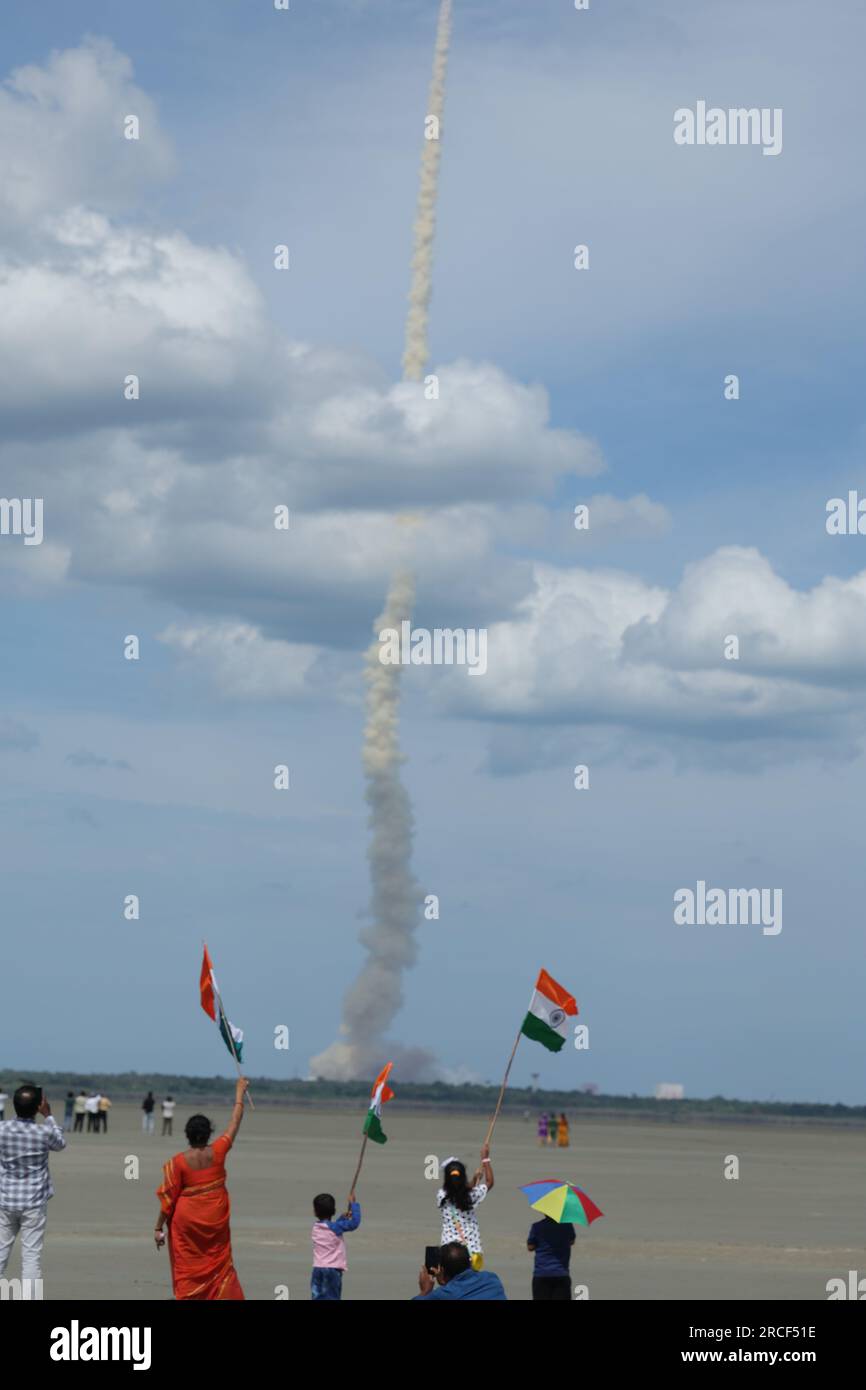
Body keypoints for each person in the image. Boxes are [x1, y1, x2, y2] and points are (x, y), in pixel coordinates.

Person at [154, 1076, 248, 1300]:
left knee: (189, 1265)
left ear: (187, 1135)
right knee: (219, 1264)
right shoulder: (219, 1151)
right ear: (209, 1133)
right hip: (215, 1218)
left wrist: (158, 1229)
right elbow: (235, 1122)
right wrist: (239, 1093)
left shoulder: (178, 1162)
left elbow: (168, 1201)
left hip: (187, 1223)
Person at [0, 1084, 66, 1290]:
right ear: (39, 1106)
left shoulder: (2, 1130)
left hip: (5, 1199)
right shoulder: (44, 1133)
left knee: (1, 1252)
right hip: (34, 1203)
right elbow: (61, 1143)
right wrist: (49, 1116)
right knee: (31, 1256)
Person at [436, 1146, 493, 1271]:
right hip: (471, 1251)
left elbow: (457, 1188)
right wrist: (485, 1159)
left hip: (449, 1250)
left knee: (449, 1283)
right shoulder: (470, 1196)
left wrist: (474, 1179)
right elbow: (489, 1182)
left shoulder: (442, 1195)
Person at [310, 1190, 361, 1300]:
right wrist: (354, 1204)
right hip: (332, 1270)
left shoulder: (316, 1228)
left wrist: (342, 1218)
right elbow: (354, 1223)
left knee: (317, 1297)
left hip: (318, 1269)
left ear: (315, 1212)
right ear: (333, 1211)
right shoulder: (336, 1228)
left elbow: (331, 1229)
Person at [414, 1240, 507, 1300]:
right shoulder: (492, 1279)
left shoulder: (445, 1294)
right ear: (470, 1263)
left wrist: (425, 1291)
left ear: (441, 1270)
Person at [527, 1214, 575, 1300]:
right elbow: (571, 1241)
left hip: (541, 1273)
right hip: (561, 1272)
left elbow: (530, 1247)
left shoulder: (537, 1226)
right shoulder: (567, 1225)